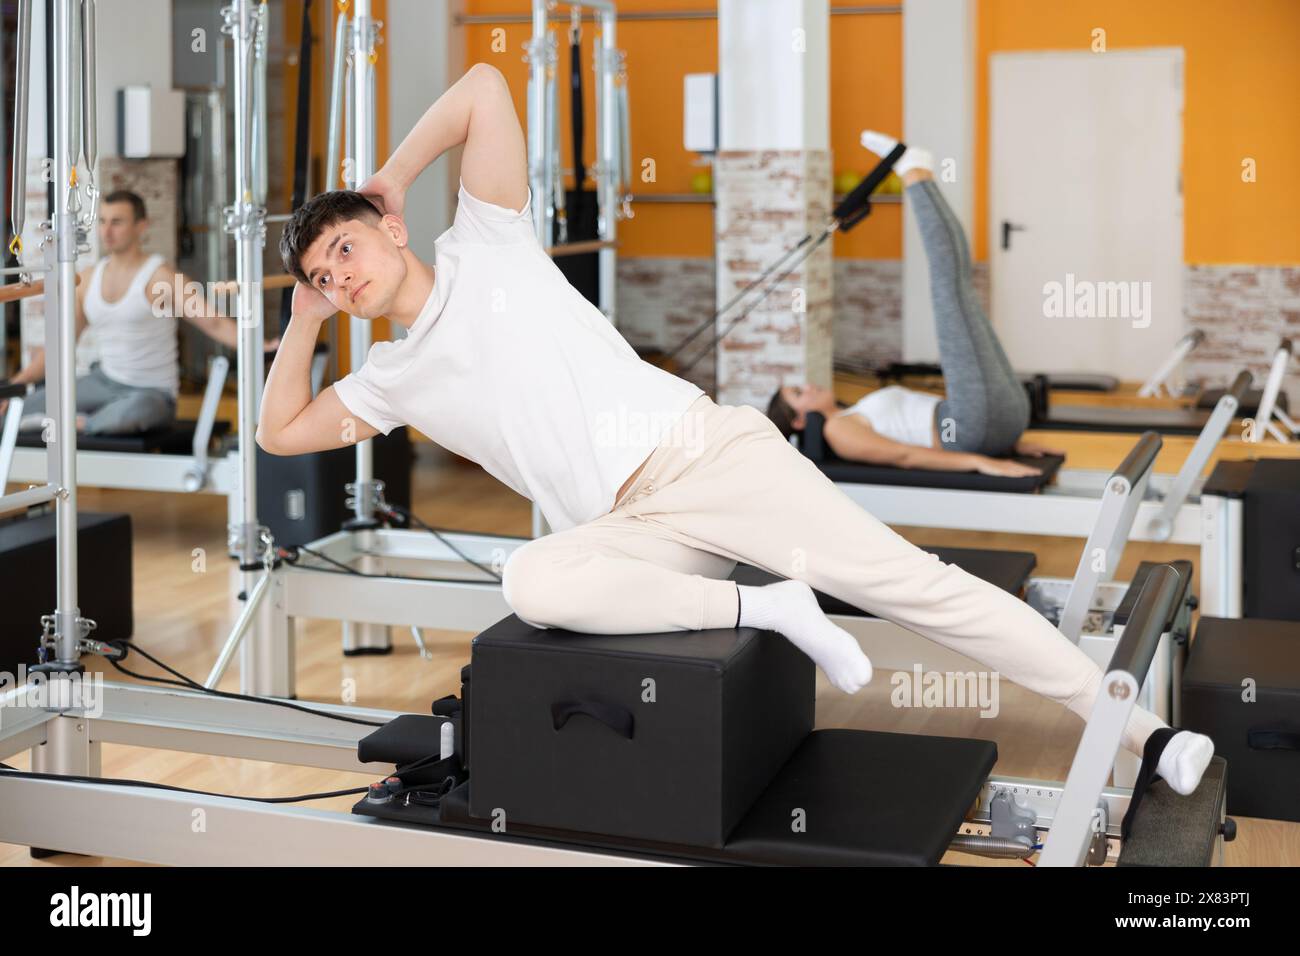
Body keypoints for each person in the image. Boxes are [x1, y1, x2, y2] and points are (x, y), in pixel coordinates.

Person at [259, 63, 1214, 796]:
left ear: (391, 230)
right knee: (532, 577)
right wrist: (303, 320)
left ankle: (1150, 737)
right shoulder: (386, 378)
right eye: (323, 276)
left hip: (708, 458)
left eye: (345, 248)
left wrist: (389, 173)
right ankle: (770, 610)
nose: (339, 275)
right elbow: (280, 433)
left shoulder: (487, 238)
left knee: (922, 589)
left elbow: (484, 84)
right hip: (635, 529)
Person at [767, 132, 1060, 476]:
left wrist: (1007, 445)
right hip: (973, 425)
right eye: (800, 393)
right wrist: (981, 460)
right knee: (950, 286)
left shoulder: (851, 414)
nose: (810, 385)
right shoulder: (838, 431)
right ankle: (915, 172)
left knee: (956, 284)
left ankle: (918, 172)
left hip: (987, 424)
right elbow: (907, 457)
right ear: (799, 420)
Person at [2, 190, 277, 435]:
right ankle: (77, 420)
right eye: (103, 221)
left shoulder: (161, 278)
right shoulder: (86, 279)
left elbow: (214, 323)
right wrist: (12, 388)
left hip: (151, 392)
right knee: (15, 410)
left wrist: (260, 346)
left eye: (117, 222)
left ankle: (85, 424)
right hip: (103, 382)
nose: (107, 230)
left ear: (141, 226)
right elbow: (59, 346)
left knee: (134, 412)